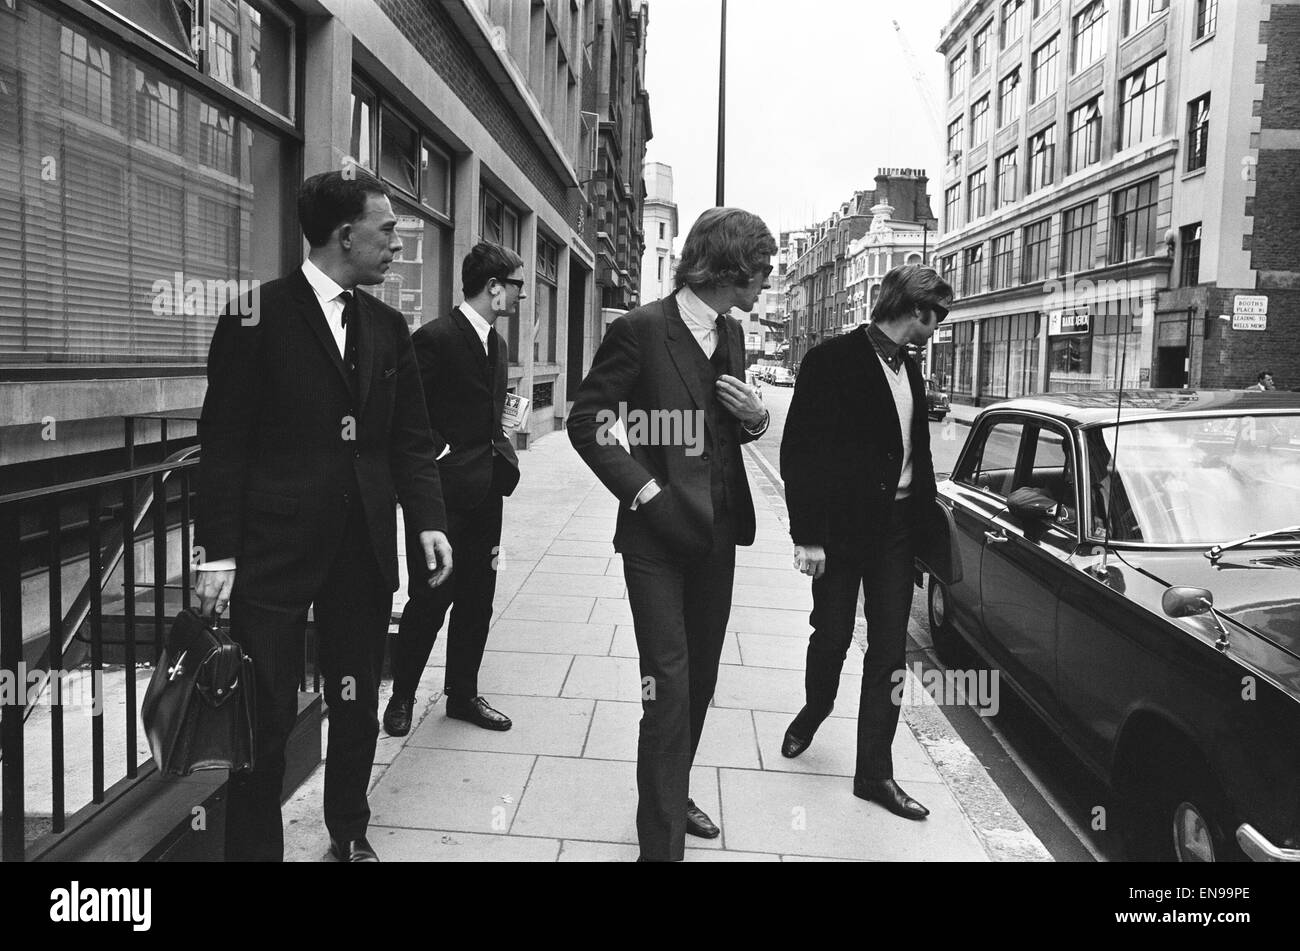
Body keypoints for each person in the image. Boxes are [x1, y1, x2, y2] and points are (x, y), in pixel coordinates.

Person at [195, 170, 453, 863]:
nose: (397, 246)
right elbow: (222, 443)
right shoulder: (255, 315)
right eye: (388, 231)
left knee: (356, 698)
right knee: (265, 714)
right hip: (272, 551)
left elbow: (409, 439)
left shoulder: (389, 326)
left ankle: (348, 829)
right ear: (346, 235)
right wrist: (218, 551)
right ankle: (253, 853)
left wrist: (427, 518)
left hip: (362, 546)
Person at [567, 207, 775, 861]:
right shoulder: (640, 330)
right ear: (733, 267)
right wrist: (645, 489)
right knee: (668, 686)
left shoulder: (731, 334)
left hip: (717, 537)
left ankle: (671, 788)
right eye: (761, 270)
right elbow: (589, 420)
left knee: (701, 682)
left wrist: (758, 418)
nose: (765, 282)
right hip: (656, 540)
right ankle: (660, 845)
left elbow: (727, 427)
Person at [779, 264, 953, 821]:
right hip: (839, 532)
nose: (937, 328)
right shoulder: (831, 360)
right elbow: (800, 454)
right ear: (915, 310)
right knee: (830, 636)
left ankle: (874, 773)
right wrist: (808, 536)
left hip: (896, 531)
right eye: (936, 317)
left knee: (889, 654)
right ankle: (815, 708)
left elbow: (914, 451)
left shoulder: (911, 368)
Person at [383, 243, 523, 736]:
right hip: (440, 498)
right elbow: (403, 410)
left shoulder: (499, 345)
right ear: (493, 287)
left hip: (487, 492)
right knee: (430, 597)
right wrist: (440, 452)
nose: (521, 296)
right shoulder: (435, 338)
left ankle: (462, 695)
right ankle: (400, 697)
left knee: (479, 597)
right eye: (517, 286)